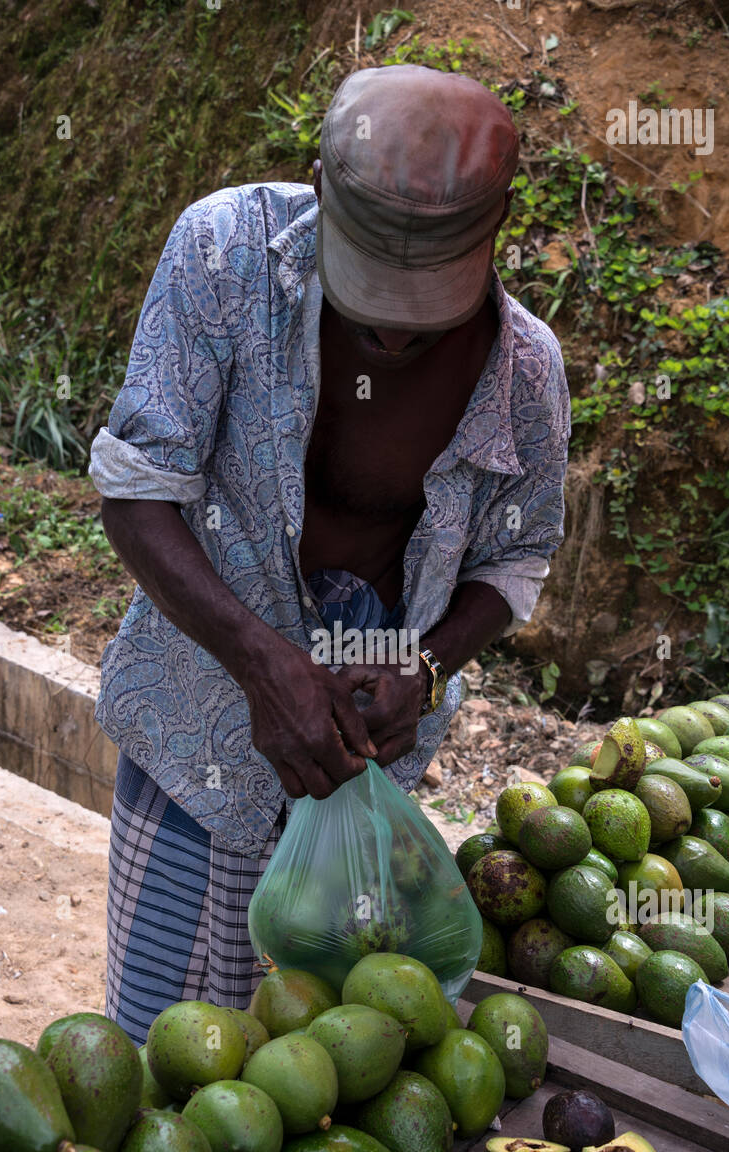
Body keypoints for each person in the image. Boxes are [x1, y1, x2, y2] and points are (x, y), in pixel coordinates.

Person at [88, 63, 571, 1044]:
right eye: (370, 297)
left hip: (364, 764)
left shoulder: (524, 372)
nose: (391, 332)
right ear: (318, 185)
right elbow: (137, 488)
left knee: (325, 1064)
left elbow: (516, 561)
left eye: (419, 307)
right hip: (201, 732)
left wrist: (425, 665)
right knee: (160, 1065)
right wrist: (262, 662)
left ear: (498, 224)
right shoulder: (222, 256)